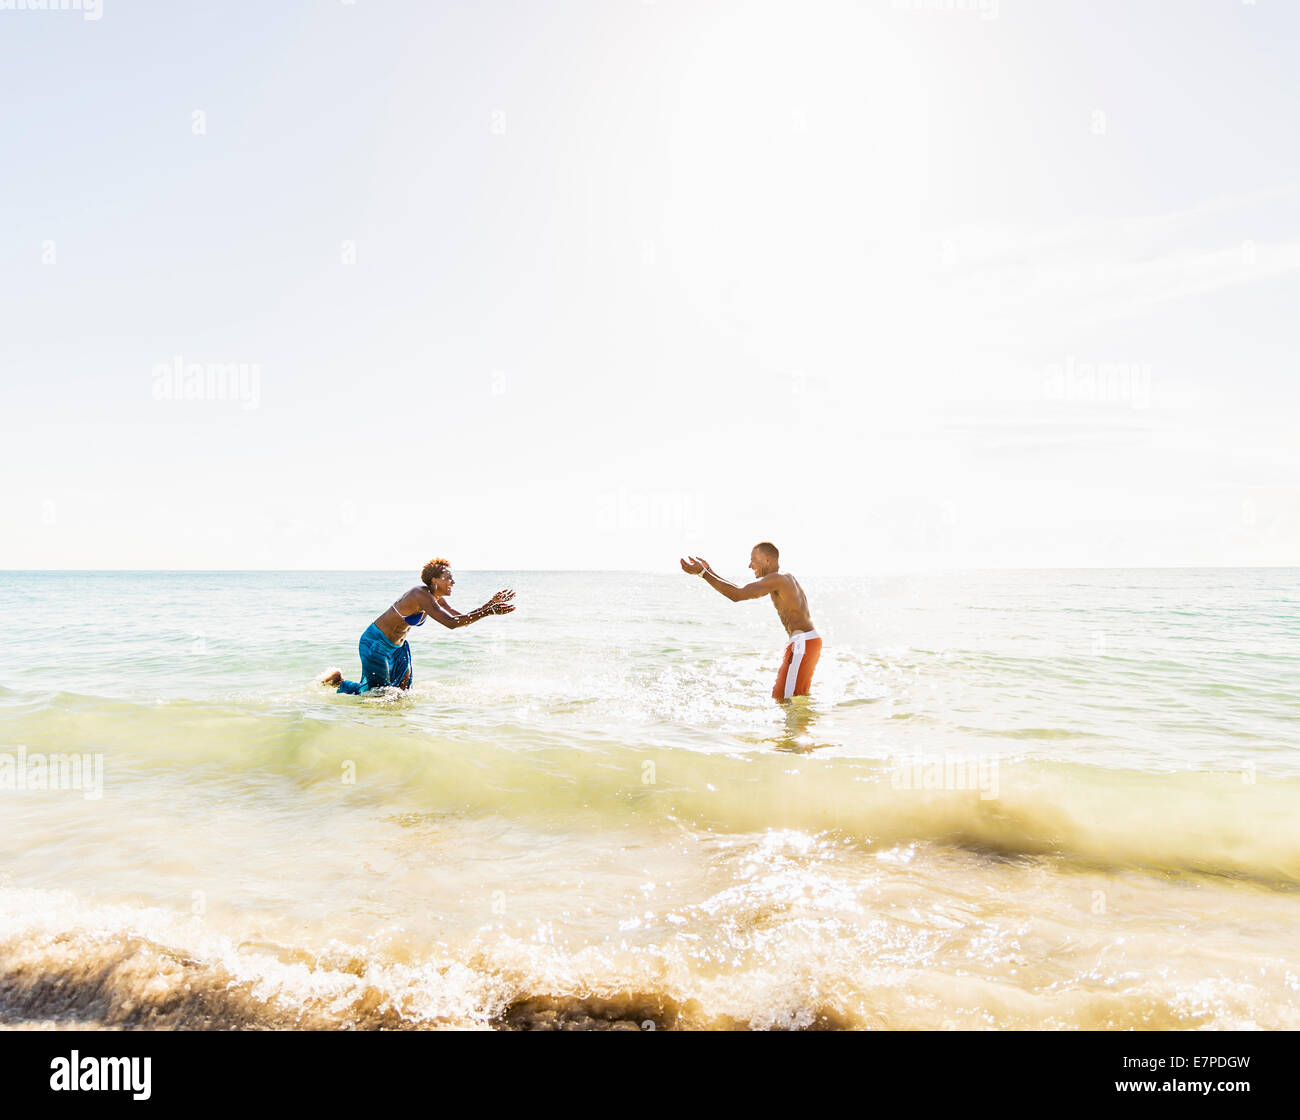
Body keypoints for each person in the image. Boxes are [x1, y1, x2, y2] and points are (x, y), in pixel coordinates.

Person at [321, 558, 514, 695]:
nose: (453, 582)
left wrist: (488, 605)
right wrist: (490, 611)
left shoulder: (435, 598)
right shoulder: (419, 594)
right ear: (434, 580)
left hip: (398, 647)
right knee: (378, 694)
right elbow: (451, 624)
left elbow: (458, 617)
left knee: (403, 693)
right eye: (448, 578)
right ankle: (340, 683)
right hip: (375, 643)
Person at [680, 542, 821, 701]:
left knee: (786, 699)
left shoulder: (776, 579)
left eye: (753, 560)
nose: (749, 565)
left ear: (767, 560)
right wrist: (708, 571)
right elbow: (738, 589)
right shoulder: (783, 577)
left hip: (802, 643)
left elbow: (737, 595)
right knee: (793, 697)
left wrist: (703, 573)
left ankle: (796, 726)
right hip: (805, 641)